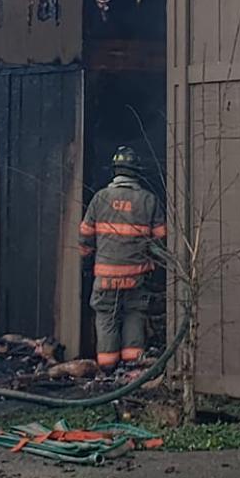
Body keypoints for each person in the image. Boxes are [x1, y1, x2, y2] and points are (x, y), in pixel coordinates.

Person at [78, 146, 165, 373]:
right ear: (136, 172)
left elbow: (85, 237)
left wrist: (87, 263)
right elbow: (160, 241)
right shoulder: (148, 200)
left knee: (107, 317)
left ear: (115, 171)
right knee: (135, 314)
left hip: (105, 278)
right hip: (136, 277)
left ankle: (107, 369)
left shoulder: (100, 199)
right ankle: (132, 369)